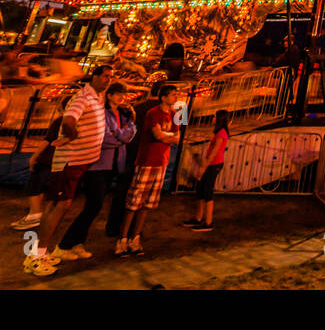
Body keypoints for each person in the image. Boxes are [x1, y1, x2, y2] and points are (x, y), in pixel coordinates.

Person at [25, 65, 112, 275]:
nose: (108, 80)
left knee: (60, 205)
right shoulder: (82, 98)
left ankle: (41, 252)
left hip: (79, 162)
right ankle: (37, 256)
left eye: (110, 77)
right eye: (106, 77)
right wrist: (72, 136)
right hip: (70, 161)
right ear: (95, 76)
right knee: (57, 206)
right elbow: (69, 120)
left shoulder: (97, 96)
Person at [57, 82, 136, 257]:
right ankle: (65, 244)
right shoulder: (103, 113)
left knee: (95, 206)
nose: (122, 97)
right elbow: (104, 137)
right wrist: (121, 138)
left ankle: (77, 242)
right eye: (118, 94)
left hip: (116, 163)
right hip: (99, 164)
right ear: (109, 95)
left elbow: (131, 131)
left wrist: (120, 136)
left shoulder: (123, 114)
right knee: (94, 205)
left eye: (124, 94)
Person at [116, 83, 181, 257]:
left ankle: (135, 237)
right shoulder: (153, 113)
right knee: (134, 201)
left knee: (148, 203)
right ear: (163, 97)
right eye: (173, 95)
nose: (176, 98)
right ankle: (122, 239)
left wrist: (165, 136)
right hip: (147, 161)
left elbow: (177, 139)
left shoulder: (174, 115)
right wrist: (168, 137)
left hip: (161, 162)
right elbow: (158, 135)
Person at [11, 113, 61, 231]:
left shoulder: (59, 121)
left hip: (48, 158)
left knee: (34, 186)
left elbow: (48, 140)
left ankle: (35, 214)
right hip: (59, 160)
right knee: (42, 187)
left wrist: (34, 156)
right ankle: (37, 214)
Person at [182, 109, 228, 232]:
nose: (212, 118)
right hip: (210, 163)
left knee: (207, 192)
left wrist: (203, 167)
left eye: (214, 116)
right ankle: (198, 218)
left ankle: (208, 222)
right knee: (201, 191)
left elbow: (214, 152)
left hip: (213, 164)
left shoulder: (222, 133)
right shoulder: (217, 132)